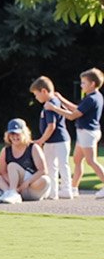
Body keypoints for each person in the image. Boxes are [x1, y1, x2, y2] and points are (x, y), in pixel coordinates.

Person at [46, 69, 104, 197]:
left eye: (84, 83)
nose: (81, 85)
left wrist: (54, 108)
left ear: (92, 84)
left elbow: (72, 116)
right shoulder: (92, 97)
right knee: (77, 160)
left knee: (91, 161)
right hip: (85, 133)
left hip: (88, 133)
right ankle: (73, 188)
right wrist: (61, 99)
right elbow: (77, 110)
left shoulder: (92, 99)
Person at [31, 77, 75, 199]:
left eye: (36, 94)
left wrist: (41, 141)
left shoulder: (49, 105)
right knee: (53, 166)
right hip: (53, 141)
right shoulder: (54, 102)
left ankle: (65, 190)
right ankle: (53, 191)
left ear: (44, 91)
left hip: (58, 140)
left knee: (59, 166)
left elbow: (51, 126)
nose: (36, 97)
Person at [0, 118, 49, 204]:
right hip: (16, 184)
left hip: (32, 185)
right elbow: (2, 172)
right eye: (12, 133)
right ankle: (10, 192)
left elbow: (43, 170)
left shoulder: (33, 147)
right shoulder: (5, 150)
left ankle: (11, 192)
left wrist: (26, 183)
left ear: (24, 133)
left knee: (45, 180)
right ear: (8, 135)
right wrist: (15, 185)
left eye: (18, 134)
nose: (15, 137)